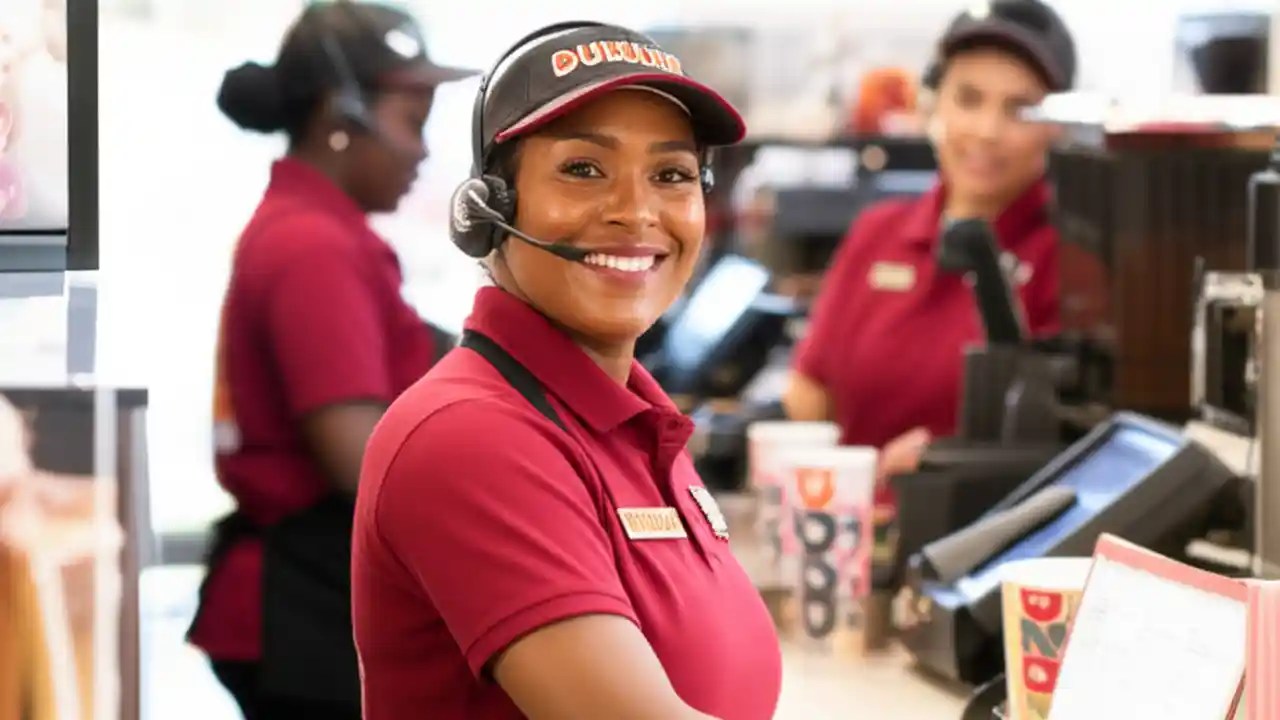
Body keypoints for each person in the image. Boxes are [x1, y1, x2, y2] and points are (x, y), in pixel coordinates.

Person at [351, 22, 782, 720]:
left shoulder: (629, 422)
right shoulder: (470, 437)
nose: (637, 212)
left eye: (671, 175)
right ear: (488, 208)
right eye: (584, 169)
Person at [184, 4, 475, 718]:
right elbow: (356, 456)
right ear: (337, 115)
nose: (424, 151)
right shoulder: (314, 248)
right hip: (304, 610)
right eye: (412, 119)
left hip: (307, 597)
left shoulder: (317, 232)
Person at [784, 0, 1074, 488]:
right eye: (968, 98)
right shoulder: (877, 232)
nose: (987, 131)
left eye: (1019, 109)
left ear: (1058, 126)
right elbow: (809, 389)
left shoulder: (1071, 260)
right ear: (933, 103)